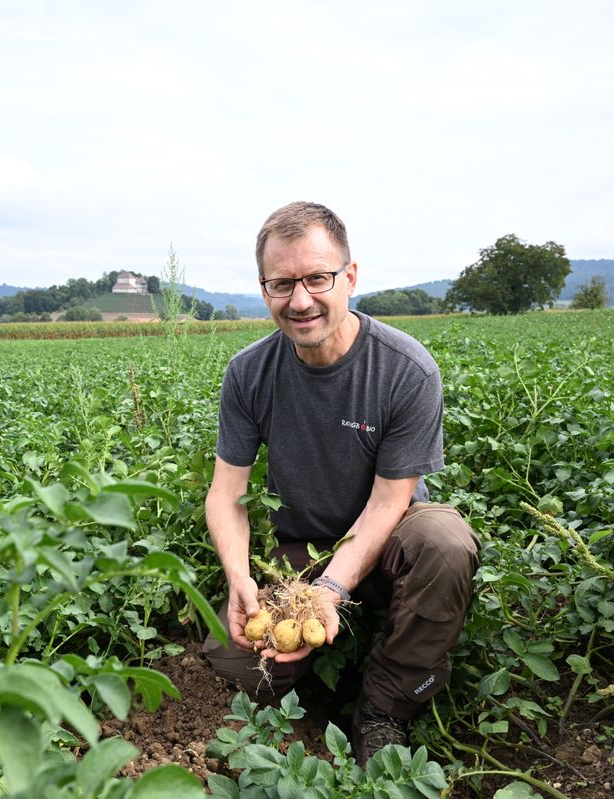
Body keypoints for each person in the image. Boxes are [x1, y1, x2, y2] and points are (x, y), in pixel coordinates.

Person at [200, 201, 480, 765]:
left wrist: (331, 590)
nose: (300, 300)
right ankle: (326, 667)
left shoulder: (406, 368)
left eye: (316, 278)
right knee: (238, 667)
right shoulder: (249, 372)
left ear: (349, 277)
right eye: (282, 284)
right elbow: (227, 492)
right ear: (264, 289)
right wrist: (238, 578)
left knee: (445, 545)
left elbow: (388, 502)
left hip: (393, 538)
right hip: (304, 548)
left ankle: (385, 705)